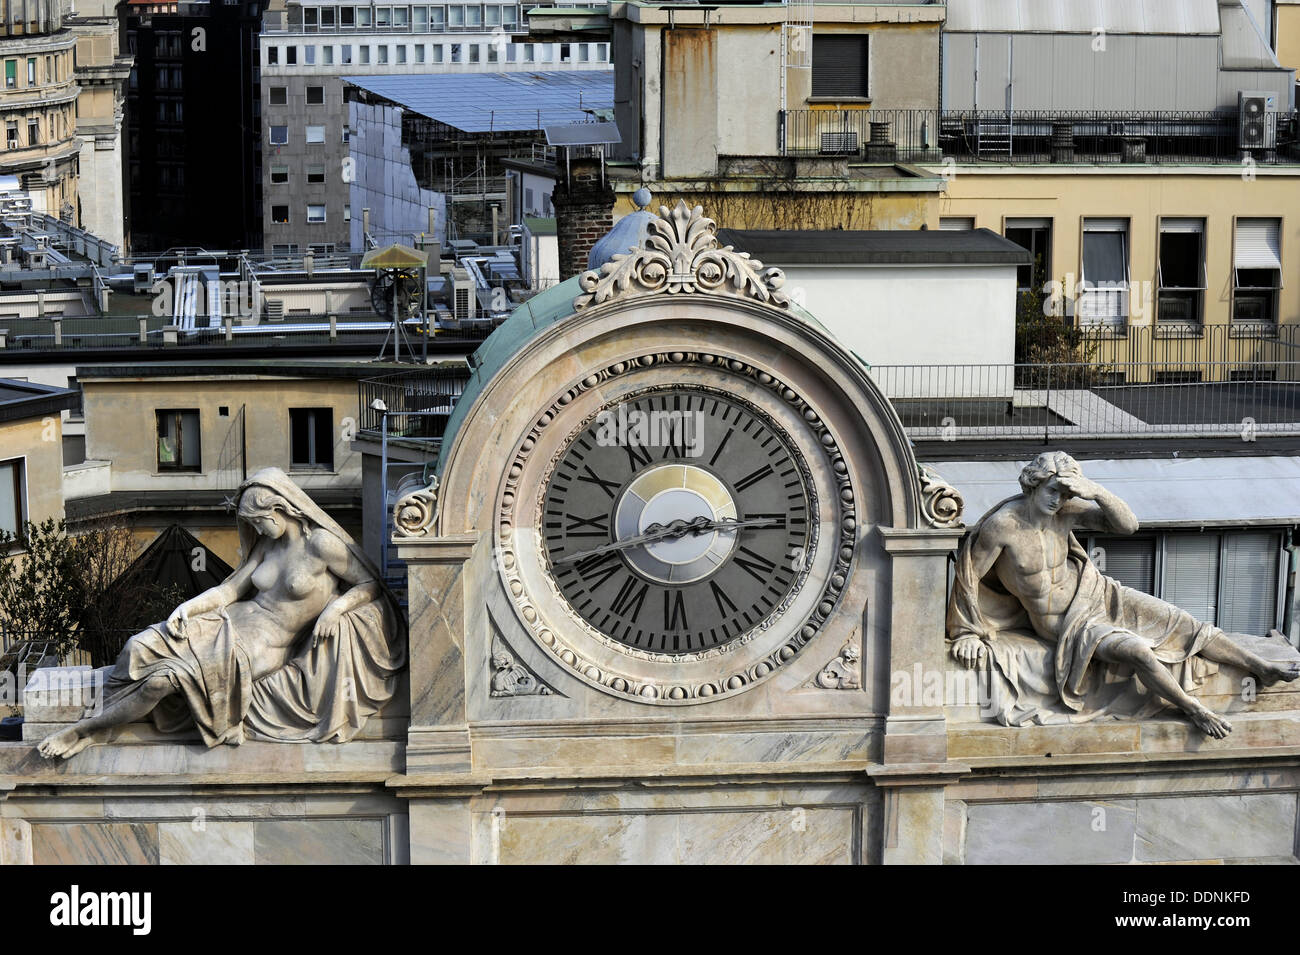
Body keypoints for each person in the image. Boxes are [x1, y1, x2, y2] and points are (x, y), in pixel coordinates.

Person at [39, 467, 406, 758]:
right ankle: (88, 689)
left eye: (257, 521)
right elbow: (230, 590)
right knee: (140, 646)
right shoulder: (268, 544)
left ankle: (86, 731)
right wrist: (188, 607)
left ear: (280, 510)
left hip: (261, 647)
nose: (254, 529)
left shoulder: (323, 545)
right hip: (227, 623)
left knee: (162, 681)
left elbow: (371, 584)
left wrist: (337, 608)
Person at [947, 451, 1299, 738]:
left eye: (1066, 493)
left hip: (1097, 593)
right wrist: (967, 632)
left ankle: (1260, 666)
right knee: (1138, 652)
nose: (1059, 499)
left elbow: (1127, 525)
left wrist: (1095, 491)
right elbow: (968, 577)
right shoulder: (1003, 527)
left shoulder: (1067, 511)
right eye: (1052, 490)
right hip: (1067, 625)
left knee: (1181, 621)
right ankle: (1193, 708)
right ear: (1034, 486)